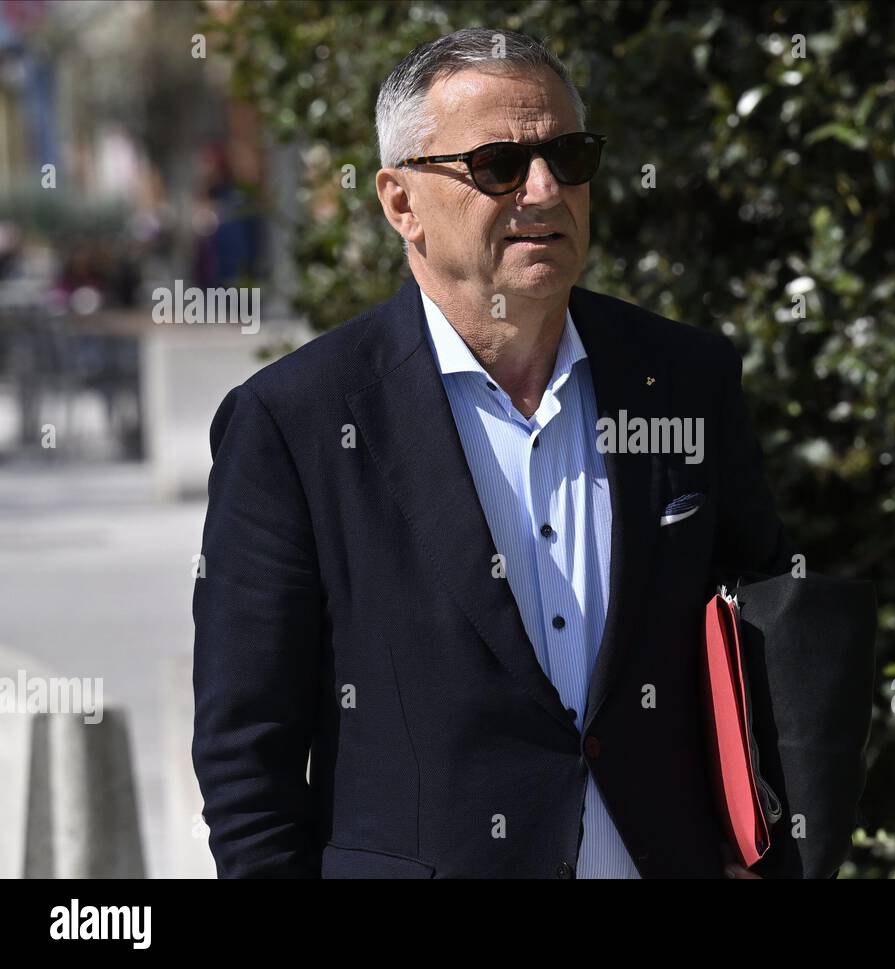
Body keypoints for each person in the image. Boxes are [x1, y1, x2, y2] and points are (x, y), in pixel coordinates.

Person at [192, 27, 792, 879]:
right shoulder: (294, 422)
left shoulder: (685, 378)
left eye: (568, 155)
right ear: (401, 203)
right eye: (499, 165)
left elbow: (767, 636)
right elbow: (246, 755)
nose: (544, 190)